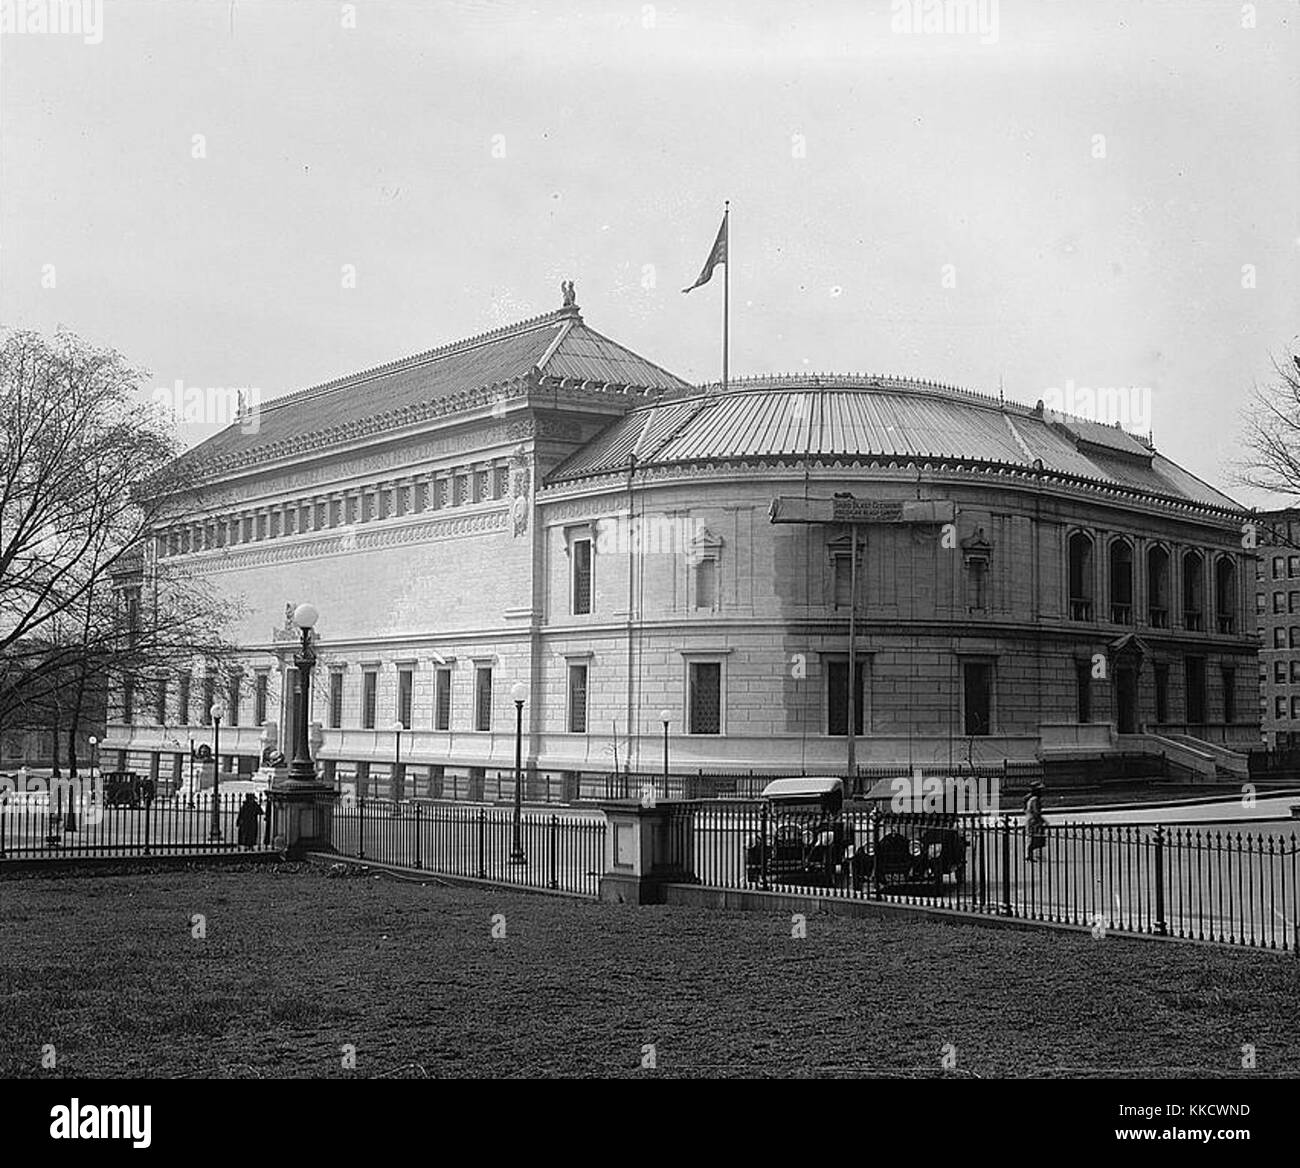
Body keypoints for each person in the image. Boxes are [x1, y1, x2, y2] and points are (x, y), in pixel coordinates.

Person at [1024, 781, 1047, 862]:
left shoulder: (1030, 799)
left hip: (1030, 820)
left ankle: (1030, 855)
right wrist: (1042, 820)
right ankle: (1030, 855)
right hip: (1033, 821)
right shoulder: (1035, 799)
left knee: (1032, 837)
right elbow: (1036, 812)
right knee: (1034, 838)